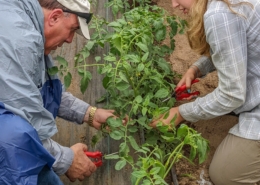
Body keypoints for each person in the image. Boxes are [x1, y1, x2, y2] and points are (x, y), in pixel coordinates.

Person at [0, 0, 117, 184]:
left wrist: (90, 113)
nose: (70, 39)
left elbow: (40, 88)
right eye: (72, 29)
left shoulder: (26, 21)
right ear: (55, 17)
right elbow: (21, 128)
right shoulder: (20, 42)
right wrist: (66, 159)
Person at [151, 0, 260, 184]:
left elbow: (232, 94)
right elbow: (234, 46)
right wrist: (196, 69)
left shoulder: (218, 14)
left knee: (225, 175)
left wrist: (181, 113)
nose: (174, 4)